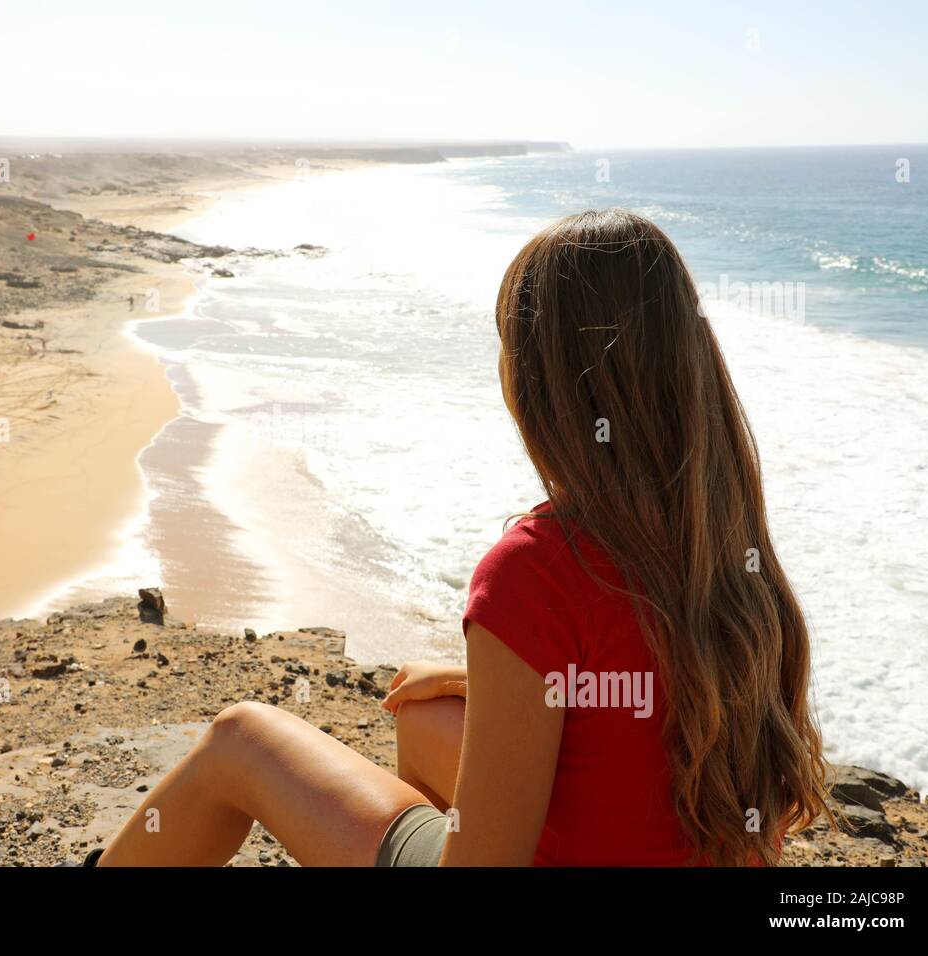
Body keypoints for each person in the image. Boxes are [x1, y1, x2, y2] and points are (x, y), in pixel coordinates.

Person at [81, 209, 834, 867]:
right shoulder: (727, 542)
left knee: (242, 738)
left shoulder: (538, 570)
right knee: (425, 708)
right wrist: (491, 683)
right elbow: (640, 677)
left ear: (537, 381)